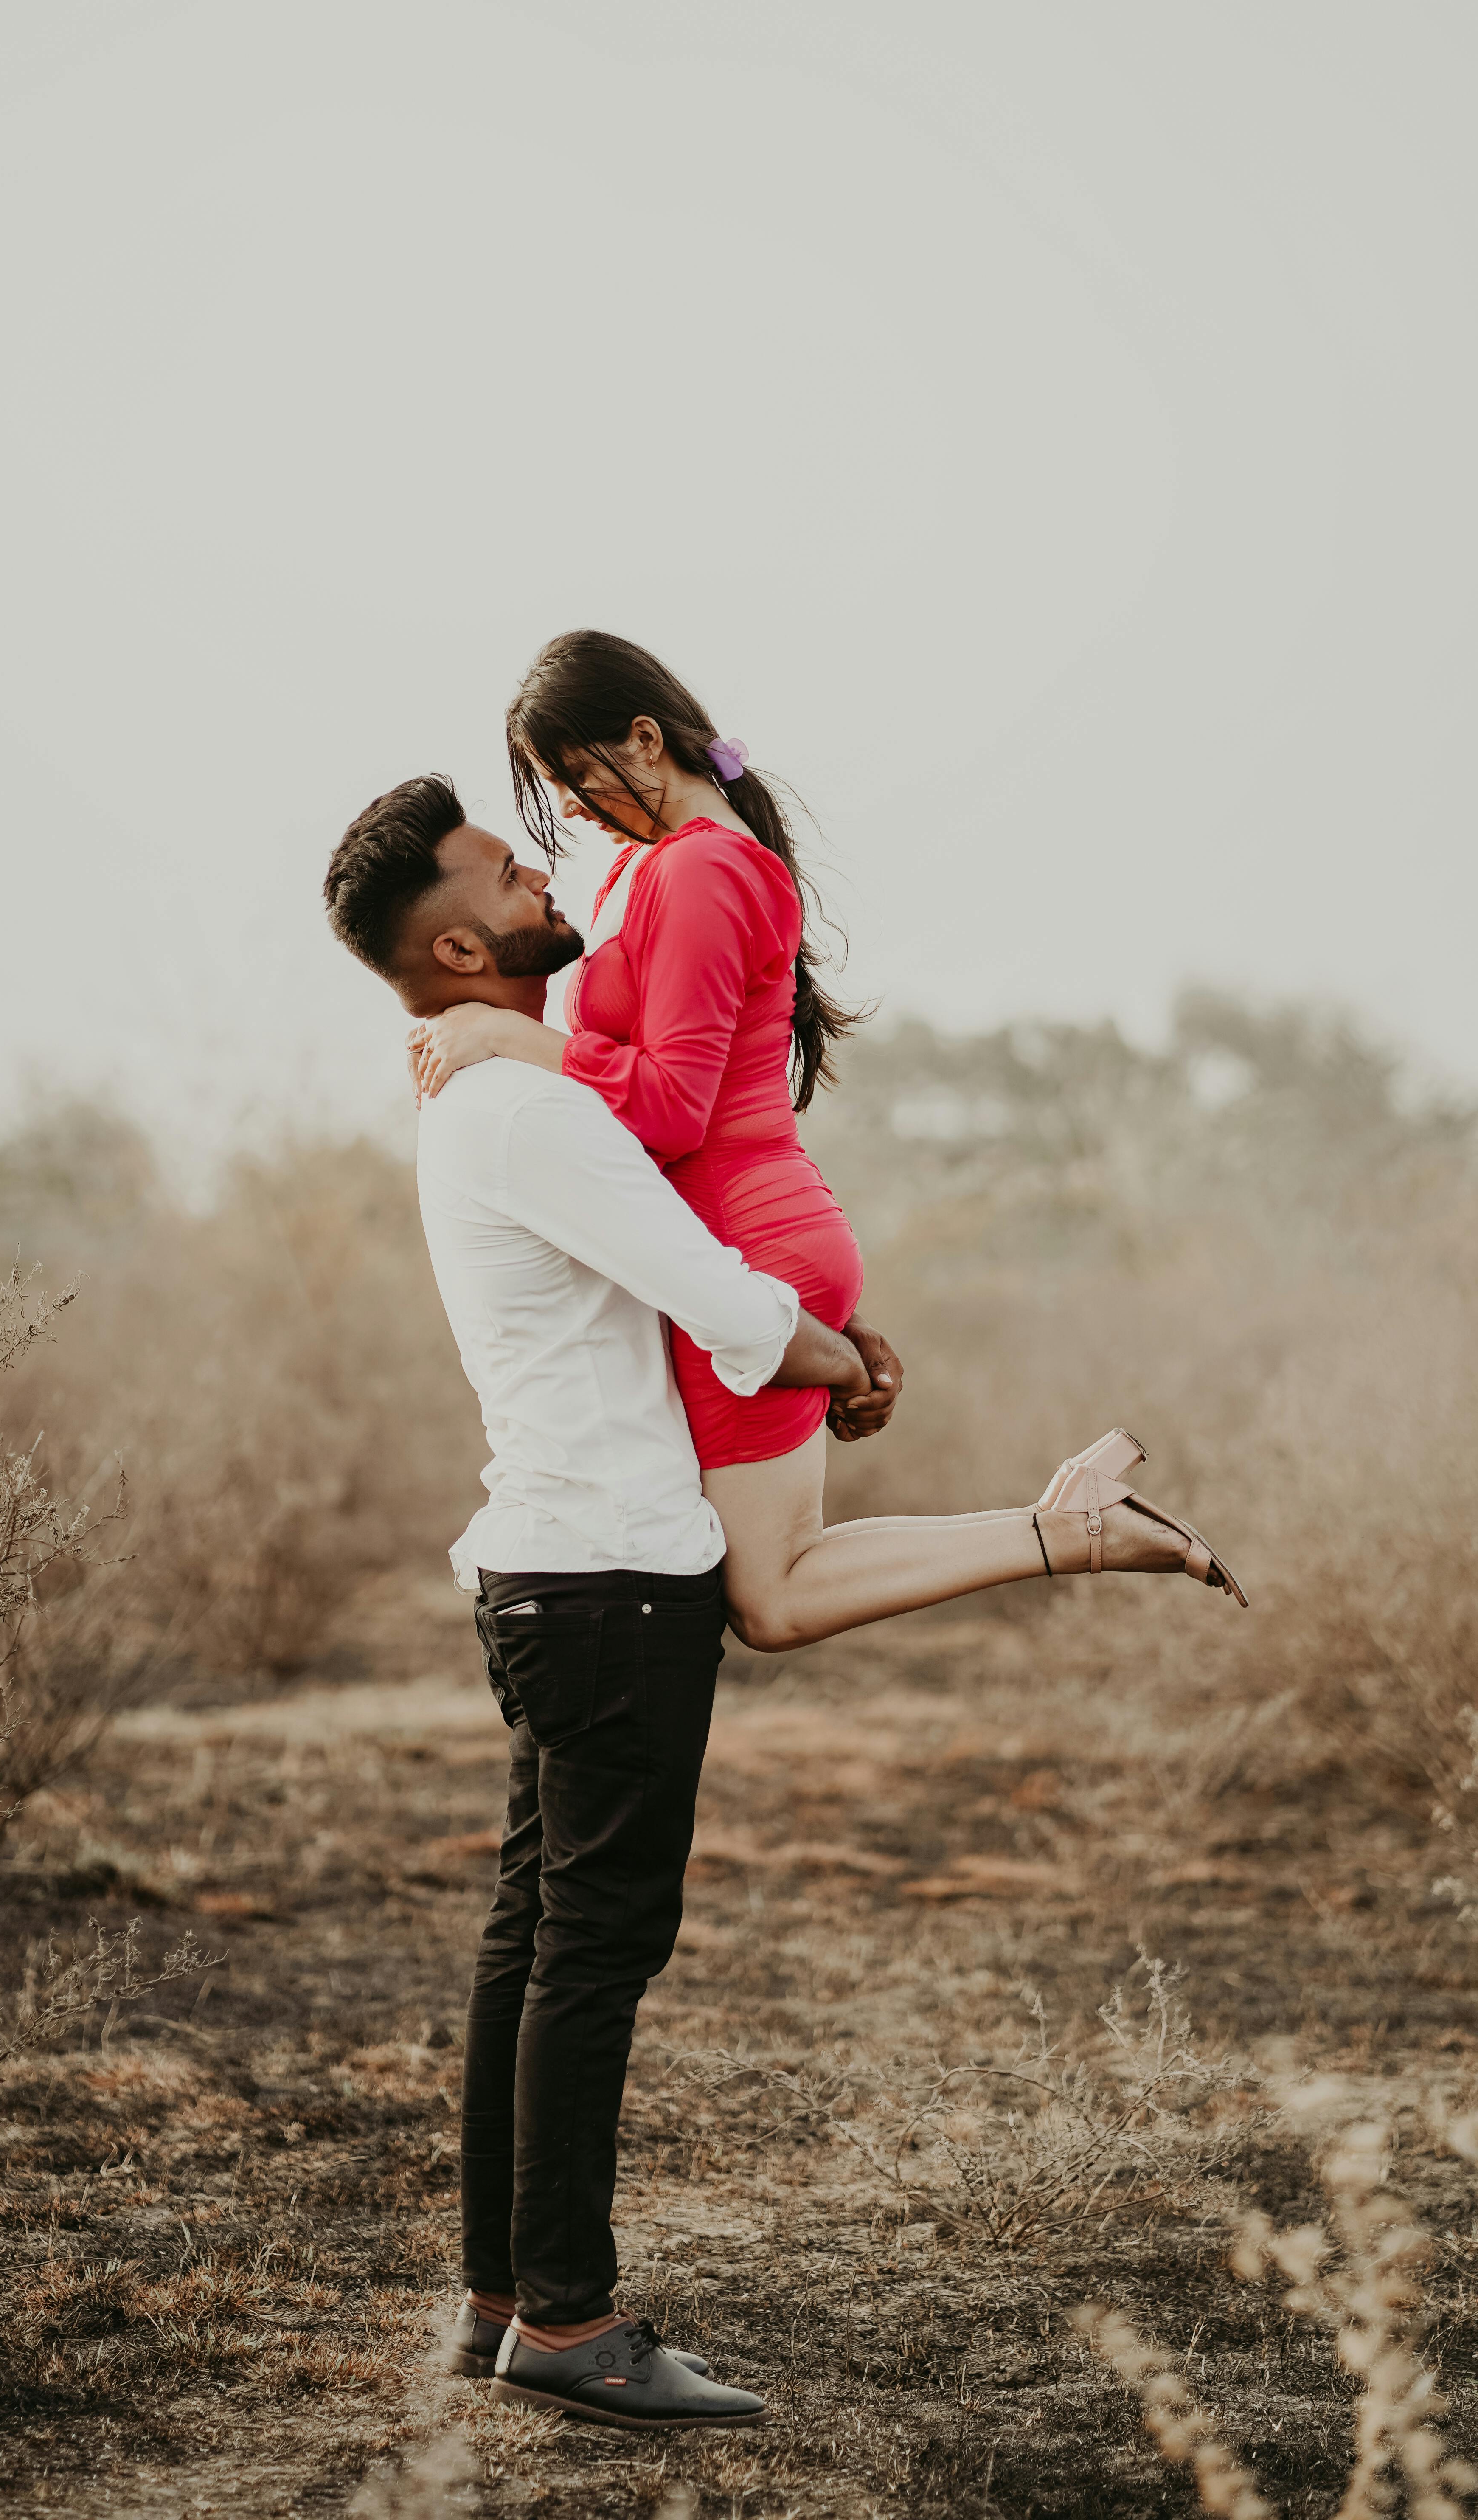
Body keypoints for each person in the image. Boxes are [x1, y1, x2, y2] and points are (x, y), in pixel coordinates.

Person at [321, 776, 1244, 2434]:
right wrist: (826, 1348)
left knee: (536, 1945)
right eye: (506, 869)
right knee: (590, 1954)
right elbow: (705, 1283)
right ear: (461, 945)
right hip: (608, 1585)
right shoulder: (522, 1112)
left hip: (557, 1574)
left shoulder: (485, 1098)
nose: (543, 872)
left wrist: (806, 1347)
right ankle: (574, 2324)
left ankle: (500, 2297)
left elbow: (690, 1260)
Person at [411, 633, 1247, 1641]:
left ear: (643, 740)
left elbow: (673, 1107)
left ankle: (1068, 1529)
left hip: (738, 1238)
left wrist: (512, 1038)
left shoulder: (705, 871)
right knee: (774, 1575)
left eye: (575, 781)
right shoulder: (661, 866)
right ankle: (1063, 1523)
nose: (575, 813)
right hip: (736, 1240)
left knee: (773, 1592)